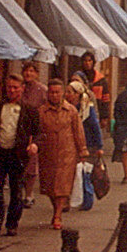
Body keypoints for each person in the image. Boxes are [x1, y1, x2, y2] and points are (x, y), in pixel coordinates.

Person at [0, 74, 41, 239]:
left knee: (16, 191)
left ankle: (12, 224)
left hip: (18, 155)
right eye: (9, 87)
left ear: (22, 88)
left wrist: (34, 144)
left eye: (16, 87)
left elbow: (38, 133)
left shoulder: (29, 110)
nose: (12, 91)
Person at [37, 79, 87, 229]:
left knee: (63, 185)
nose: (54, 95)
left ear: (63, 93)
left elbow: (78, 131)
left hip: (67, 153)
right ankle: (56, 207)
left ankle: (57, 215)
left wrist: (82, 150)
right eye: (52, 92)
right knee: (50, 186)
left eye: (57, 92)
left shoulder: (71, 111)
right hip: (48, 153)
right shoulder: (41, 111)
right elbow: (37, 132)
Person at [19, 62, 46, 210]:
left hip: (34, 129)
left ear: (36, 73)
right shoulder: (20, 87)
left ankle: (29, 194)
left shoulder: (41, 90)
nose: (28, 74)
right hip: (19, 128)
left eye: (31, 71)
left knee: (31, 164)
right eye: (26, 71)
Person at [65, 80, 103, 161]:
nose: (66, 95)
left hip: (87, 144)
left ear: (77, 94)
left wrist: (99, 146)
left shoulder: (87, 109)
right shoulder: (66, 108)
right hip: (70, 145)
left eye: (69, 92)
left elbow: (95, 127)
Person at [79, 52, 111, 130]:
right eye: (85, 61)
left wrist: (104, 117)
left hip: (97, 112)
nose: (87, 63)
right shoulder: (78, 77)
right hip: (81, 112)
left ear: (93, 62)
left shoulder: (101, 79)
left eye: (90, 61)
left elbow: (106, 99)